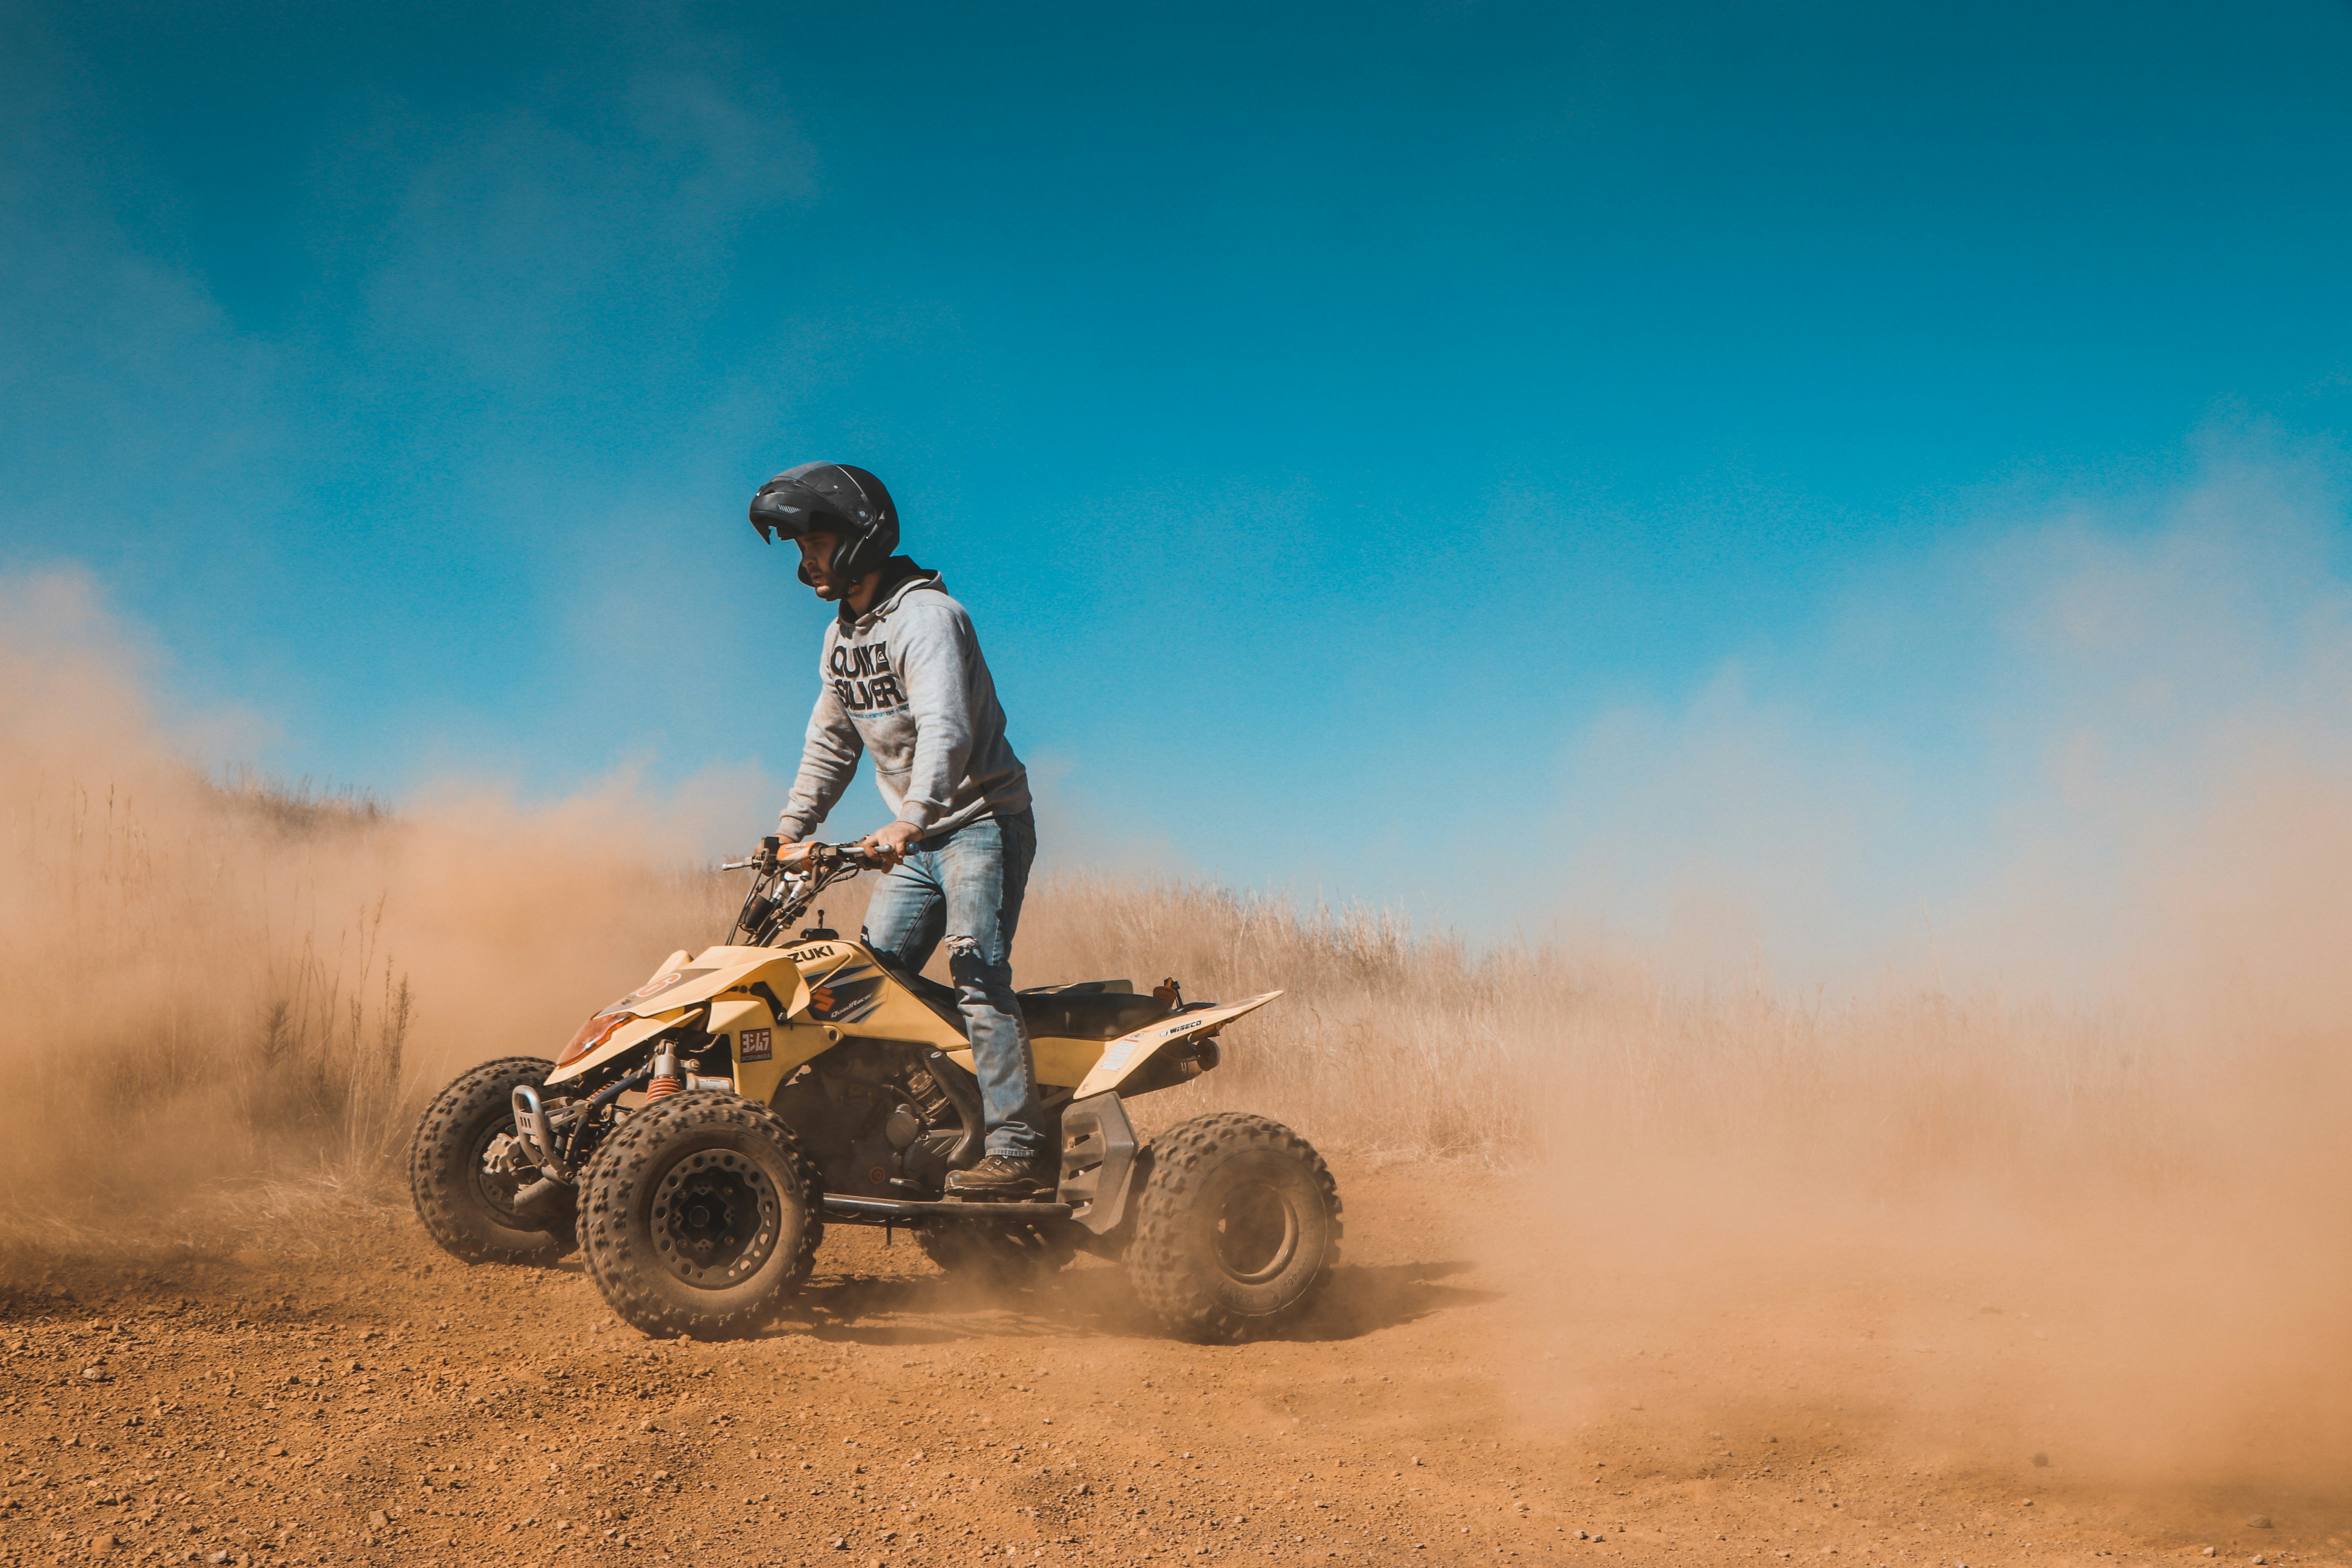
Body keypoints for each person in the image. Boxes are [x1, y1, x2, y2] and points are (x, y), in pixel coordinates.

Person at [748, 462, 1049, 1198]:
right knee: (866, 983)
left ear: (857, 537)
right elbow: (832, 742)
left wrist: (911, 819)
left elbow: (947, 731)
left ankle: (1015, 1147)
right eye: (798, 547)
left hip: (979, 824)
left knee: (976, 974)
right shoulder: (842, 638)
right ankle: (910, 1136)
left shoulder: (929, 619)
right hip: (917, 840)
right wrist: (791, 829)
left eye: (812, 541)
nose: (805, 560)